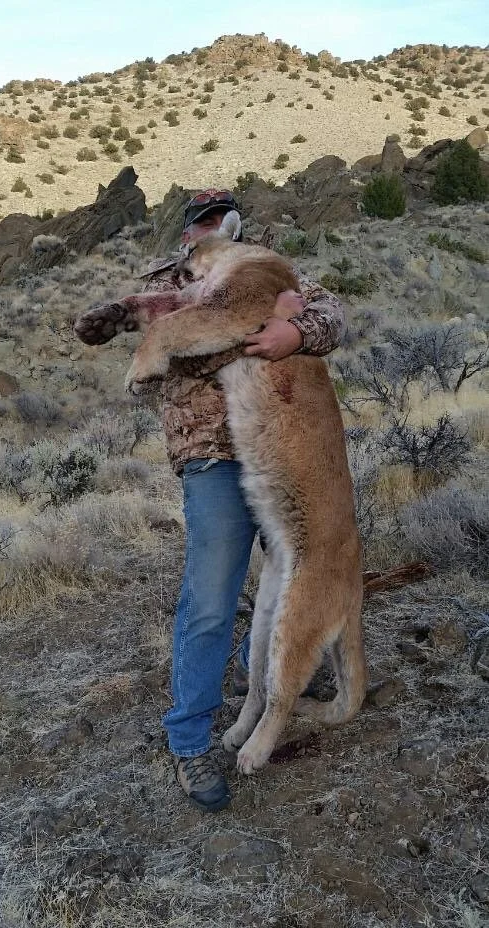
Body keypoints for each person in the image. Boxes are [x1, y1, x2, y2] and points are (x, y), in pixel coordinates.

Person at [77, 189, 346, 812]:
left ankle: (301, 684)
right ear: (185, 234)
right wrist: (247, 333)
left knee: (300, 571)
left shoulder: (267, 269)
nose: (212, 227)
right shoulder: (164, 289)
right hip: (214, 457)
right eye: (200, 220)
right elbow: (161, 366)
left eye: (222, 217)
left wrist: (296, 329)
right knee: (211, 601)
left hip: (286, 448)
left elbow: (332, 316)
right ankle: (191, 740)